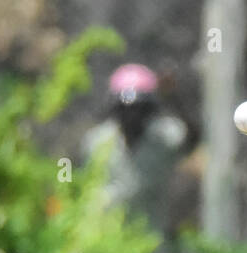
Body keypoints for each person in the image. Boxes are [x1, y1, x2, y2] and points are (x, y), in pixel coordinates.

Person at [81, 63, 189, 237]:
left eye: (139, 109)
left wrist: (172, 98)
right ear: (115, 109)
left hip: (151, 243)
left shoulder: (164, 139)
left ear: (149, 110)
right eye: (125, 109)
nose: (132, 116)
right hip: (102, 240)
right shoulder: (97, 142)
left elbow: (192, 138)